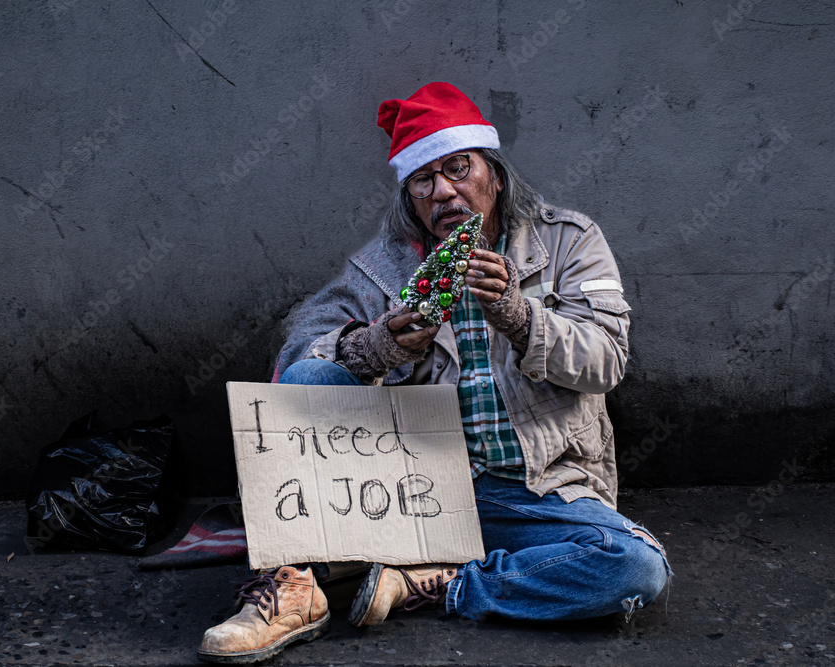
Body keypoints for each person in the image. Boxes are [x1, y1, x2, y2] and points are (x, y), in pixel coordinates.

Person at [197, 82, 671, 664]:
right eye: (423, 180)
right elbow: (297, 356)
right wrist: (376, 346)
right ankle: (290, 586)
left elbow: (608, 361)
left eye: (457, 168)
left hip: (535, 491)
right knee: (306, 386)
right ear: (412, 199)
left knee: (634, 566)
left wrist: (521, 319)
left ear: (495, 175)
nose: (443, 191)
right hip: (416, 495)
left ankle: (435, 582)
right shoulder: (384, 268)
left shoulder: (569, 242)